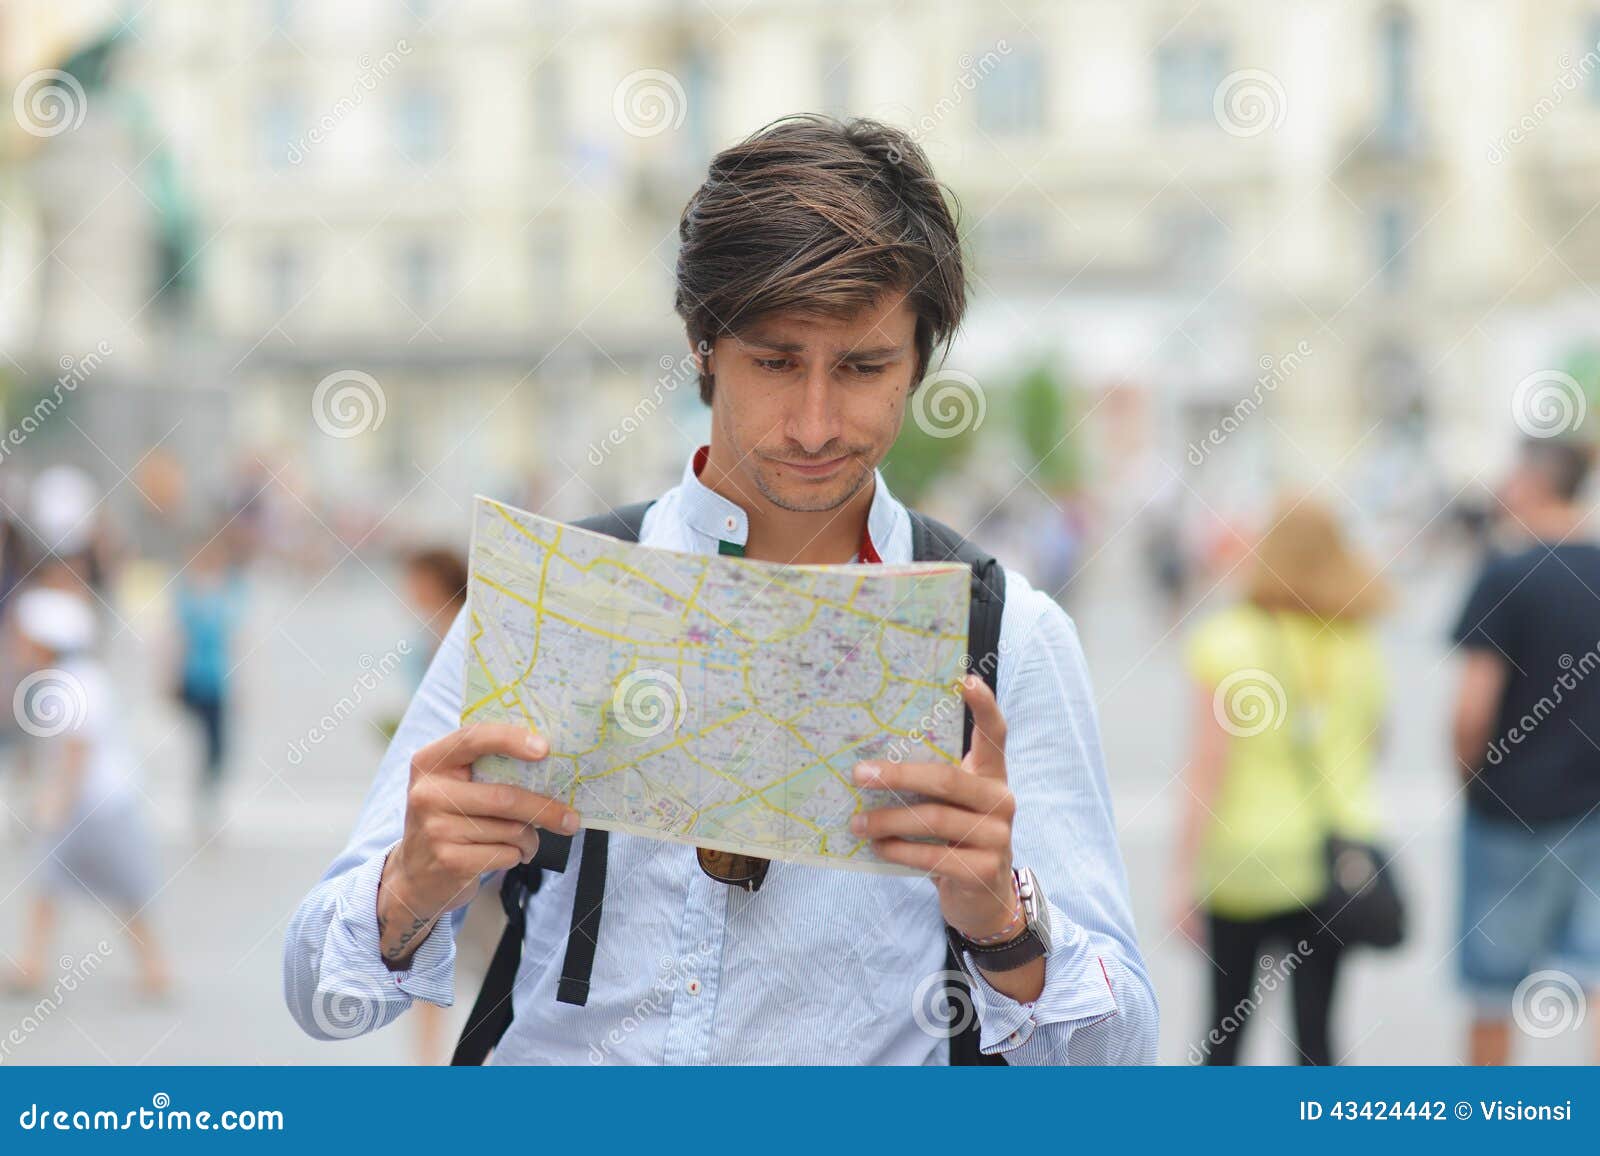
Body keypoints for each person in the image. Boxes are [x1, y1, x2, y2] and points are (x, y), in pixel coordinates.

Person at [282, 115, 1156, 1065]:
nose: (817, 422)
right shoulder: (552, 596)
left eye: (863, 368)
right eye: (775, 362)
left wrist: (1006, 925)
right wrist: (410, 886)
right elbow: (321, 992)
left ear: (919, 363)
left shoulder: (1005, 638)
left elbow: (1117, 1059)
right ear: (704, 346)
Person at [1173, 497, 1390, 1064]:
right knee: (1316, 1038)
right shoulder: (1357, 642)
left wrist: (1182, 874)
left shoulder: (1227, 640)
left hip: (1243, 856)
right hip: (1332, 857)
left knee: (1225, 1031)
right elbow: (1372, 744)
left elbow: (1207, 766)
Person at [1450, 437, 1600, 1065]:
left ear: (1534, 482)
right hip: (1594, 805)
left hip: (1508, 808)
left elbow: (1471, 709)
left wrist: (1469, 777)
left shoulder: (1506, 575)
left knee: (1493, 986)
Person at [6, 584, 170, 998]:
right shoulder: (68, 679)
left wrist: (51, 805)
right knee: (49, 883)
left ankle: (154, 967)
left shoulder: (72, 684)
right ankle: (34, 962)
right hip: (89, 803)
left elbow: (78, 750)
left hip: (99, 804)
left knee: (124, 889)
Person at [172, 533, 244, 840]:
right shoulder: (186, 594)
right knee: (202, 744)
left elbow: (237, 638)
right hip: (194, 678)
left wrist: (243, 683)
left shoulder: (229, 592)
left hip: (219, 681)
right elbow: (176, 638)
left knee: (219, 747)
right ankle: (202, 803)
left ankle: (210, 799)